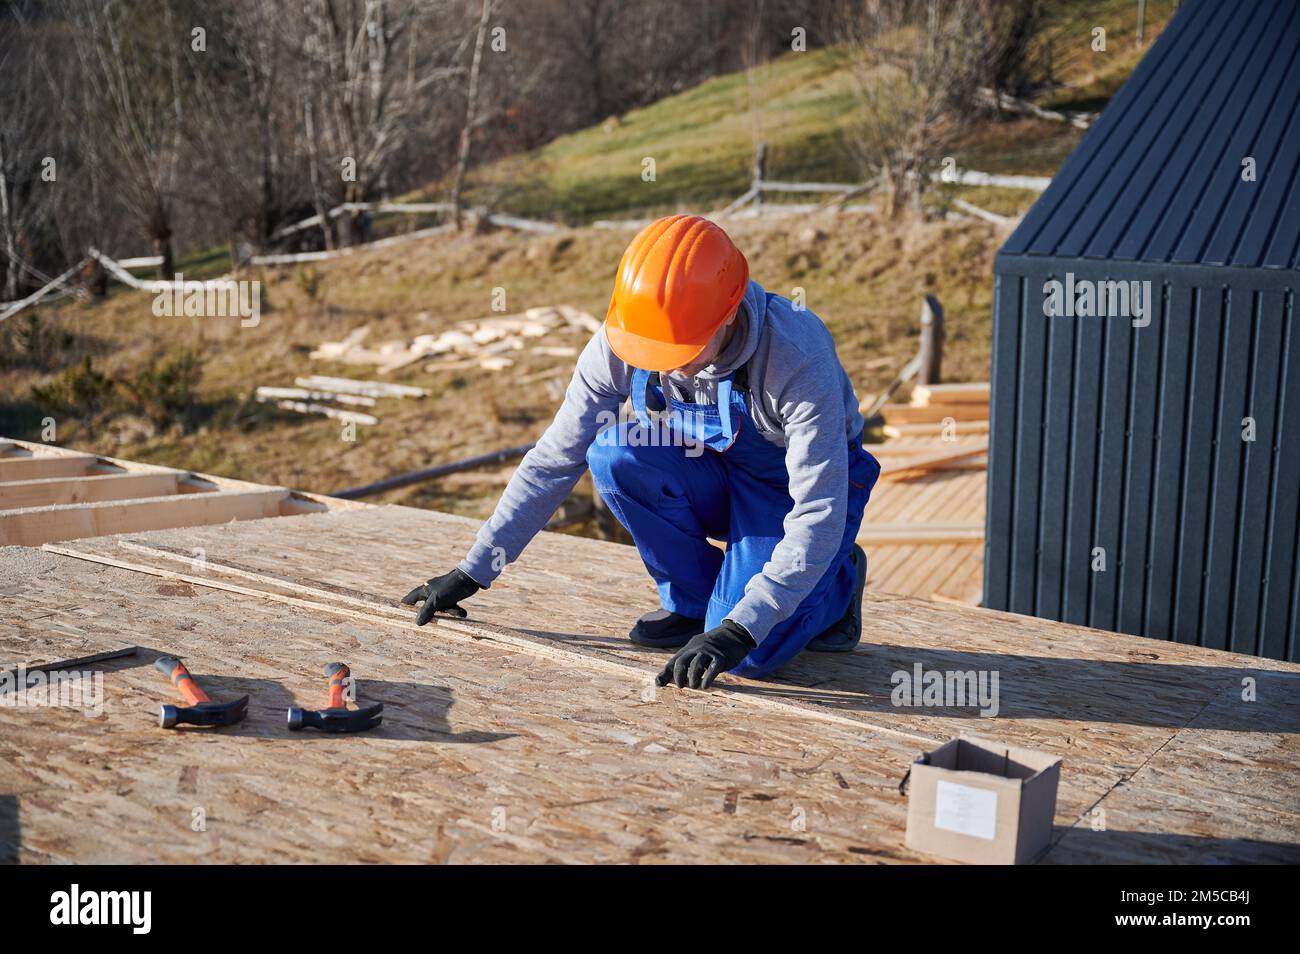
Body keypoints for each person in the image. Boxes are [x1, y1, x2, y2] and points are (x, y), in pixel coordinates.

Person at [402, 214, 879, 690]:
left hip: (794, 494)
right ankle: (693, 604)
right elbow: (554, 460)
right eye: (652, 350)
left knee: (751, 655)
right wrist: (475, 569)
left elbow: (818, 508)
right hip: (708, 468)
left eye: (682, 348)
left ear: (729, 312)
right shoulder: (624, 341)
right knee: (615, 453)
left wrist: (740, 628)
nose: (664, 364)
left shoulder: (794, 353)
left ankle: (836, 585)